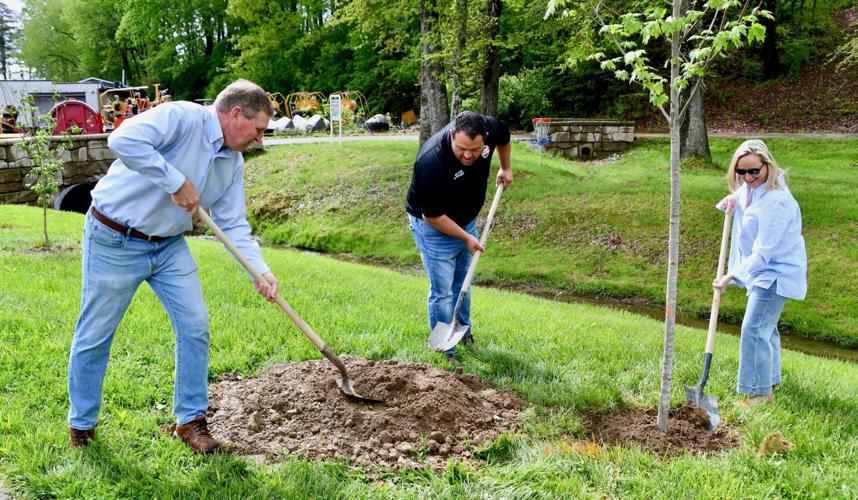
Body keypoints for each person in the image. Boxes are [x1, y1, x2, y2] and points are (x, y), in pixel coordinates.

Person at [67, 79, 278, 453]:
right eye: (258, 129)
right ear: (235, 115)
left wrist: (258, 271)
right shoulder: (182, 118)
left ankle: (190, 421)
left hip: (167, 247)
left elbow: (233, 225)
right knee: (96, 333)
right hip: (115, 237)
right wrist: (175, 180)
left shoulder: (232, 162)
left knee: (195, 325)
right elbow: (122, 140)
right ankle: (82, 426)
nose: (258, 140)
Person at [405, 111, 513, 361]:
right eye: (461, 148)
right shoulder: (431, 161)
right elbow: (431, 216)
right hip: (432, 227)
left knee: (463, 283)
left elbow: (505, 135)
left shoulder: (490, 129)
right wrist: (466, 238)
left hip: (466, 221)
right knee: (443, 291)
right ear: (452, 135)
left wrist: (505, 168)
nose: (467, 154)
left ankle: (464, 333)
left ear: (484, 139)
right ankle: (445, 350)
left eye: (474, 150)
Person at [712, 139, 807, 406]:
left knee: (754, 329)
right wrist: (730, 200)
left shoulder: (776, 202)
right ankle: (770, 380)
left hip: (776, 272)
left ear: (767, 166)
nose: (748, 177)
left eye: (754, 171)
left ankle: (759, 393)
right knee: (767, 328)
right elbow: (742, 198)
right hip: (763, 271)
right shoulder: (753, 189)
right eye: (741, 172)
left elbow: (763, 253)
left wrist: (733, 275)